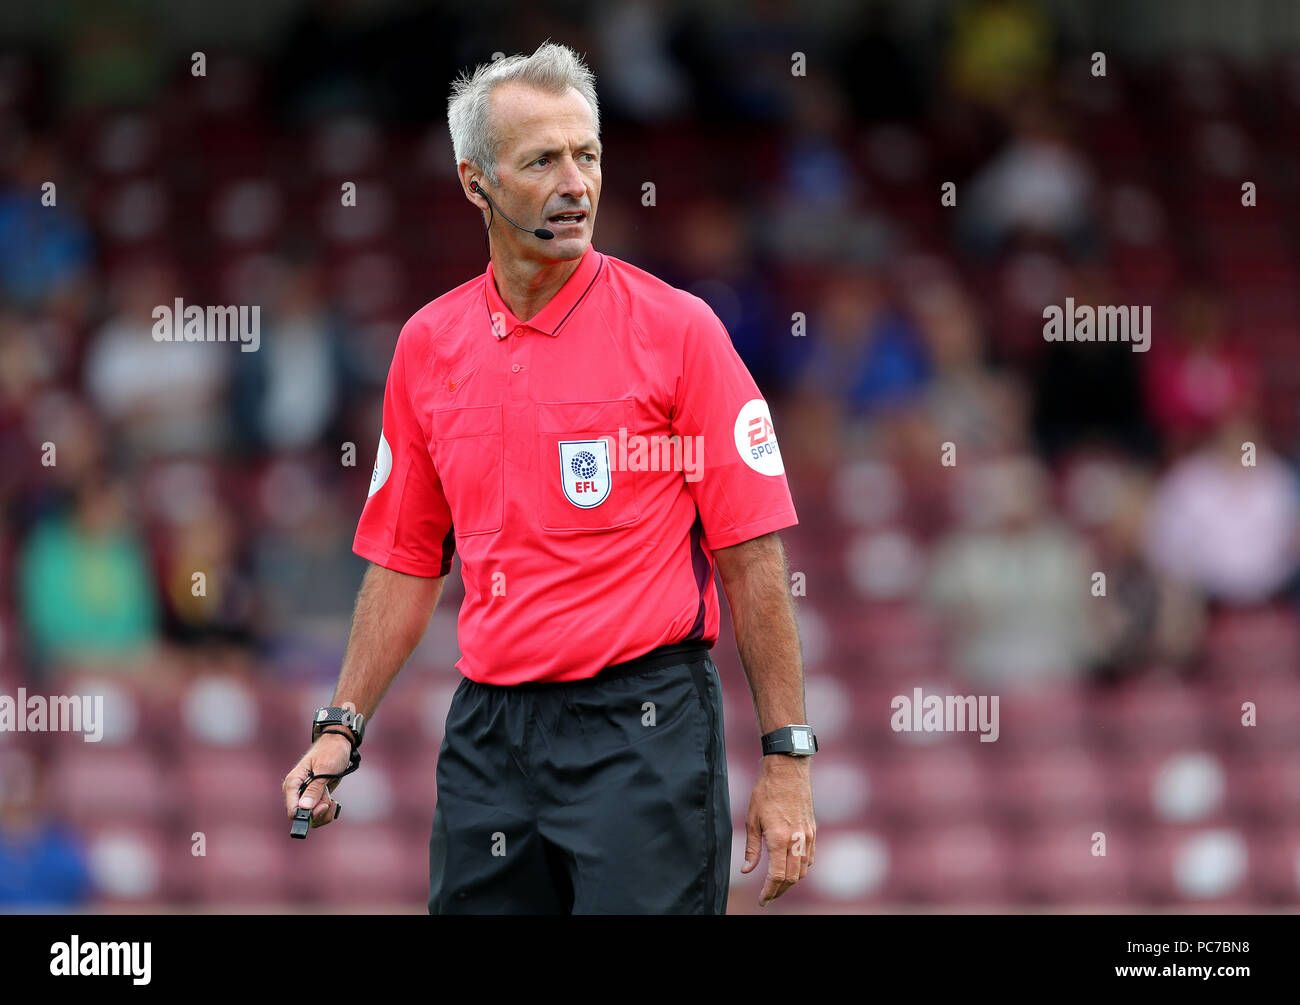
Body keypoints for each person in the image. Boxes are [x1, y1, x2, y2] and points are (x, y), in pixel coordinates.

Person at [282, 42, 817, 915]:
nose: (577, 183)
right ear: (475, 182)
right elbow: (406, 560)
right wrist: (342, 724)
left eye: (589, 155)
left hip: (642, 729)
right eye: (542, 160)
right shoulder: (427, 346)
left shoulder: (681, 333)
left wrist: (787, 761)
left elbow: (753, 559)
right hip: (490, 736)